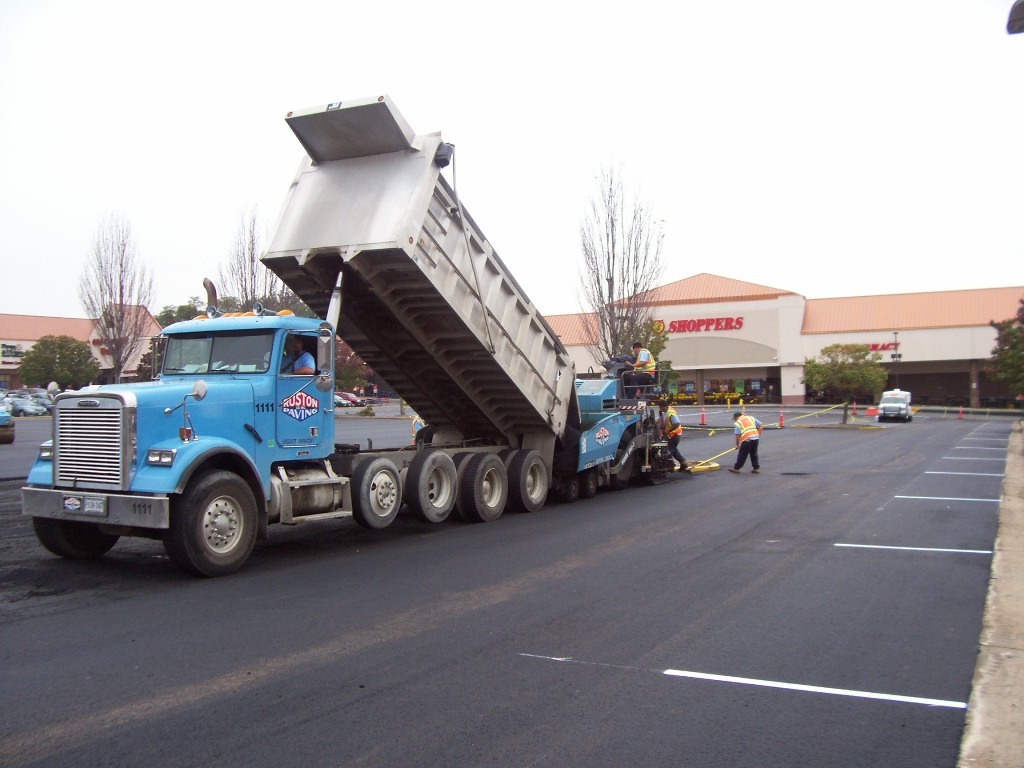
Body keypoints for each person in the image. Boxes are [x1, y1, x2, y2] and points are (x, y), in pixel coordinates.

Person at [659, 402, 690, 472]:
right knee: (674, 450)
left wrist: (667, 431)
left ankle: (670, 466)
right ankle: (684, 464)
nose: (660, 409)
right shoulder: (666, 412)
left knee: (668, 451)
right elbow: (663, 421)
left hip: (674, 435)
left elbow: (676, 423)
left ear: (664, 406)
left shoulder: (671, 413)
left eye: (660, 407)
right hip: (671, 435)